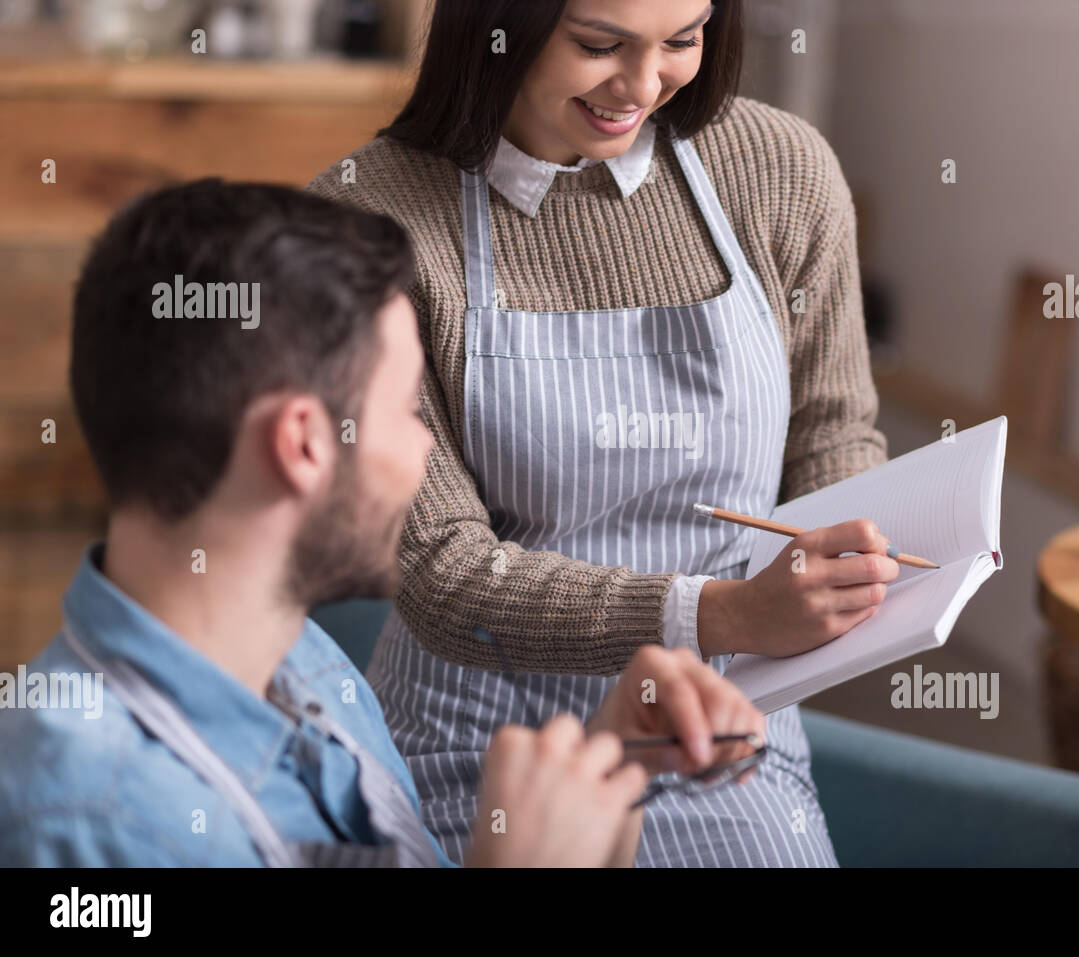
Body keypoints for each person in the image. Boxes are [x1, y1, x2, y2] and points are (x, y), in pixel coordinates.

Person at [0, 179, 765, 867]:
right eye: (405, 410)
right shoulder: (90, 819)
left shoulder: (304, 660)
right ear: (302, 443)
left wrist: (608, 770)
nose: (424, 447)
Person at [305, 0, 898, 867]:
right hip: (480, 743)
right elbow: (441, 571)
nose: (643, 83)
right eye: (598, 44)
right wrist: (722, 612)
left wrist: (859, 544)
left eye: (683, 40)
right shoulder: (366, 220)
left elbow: (833, 425)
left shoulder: (778, 169)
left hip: (718, 733)